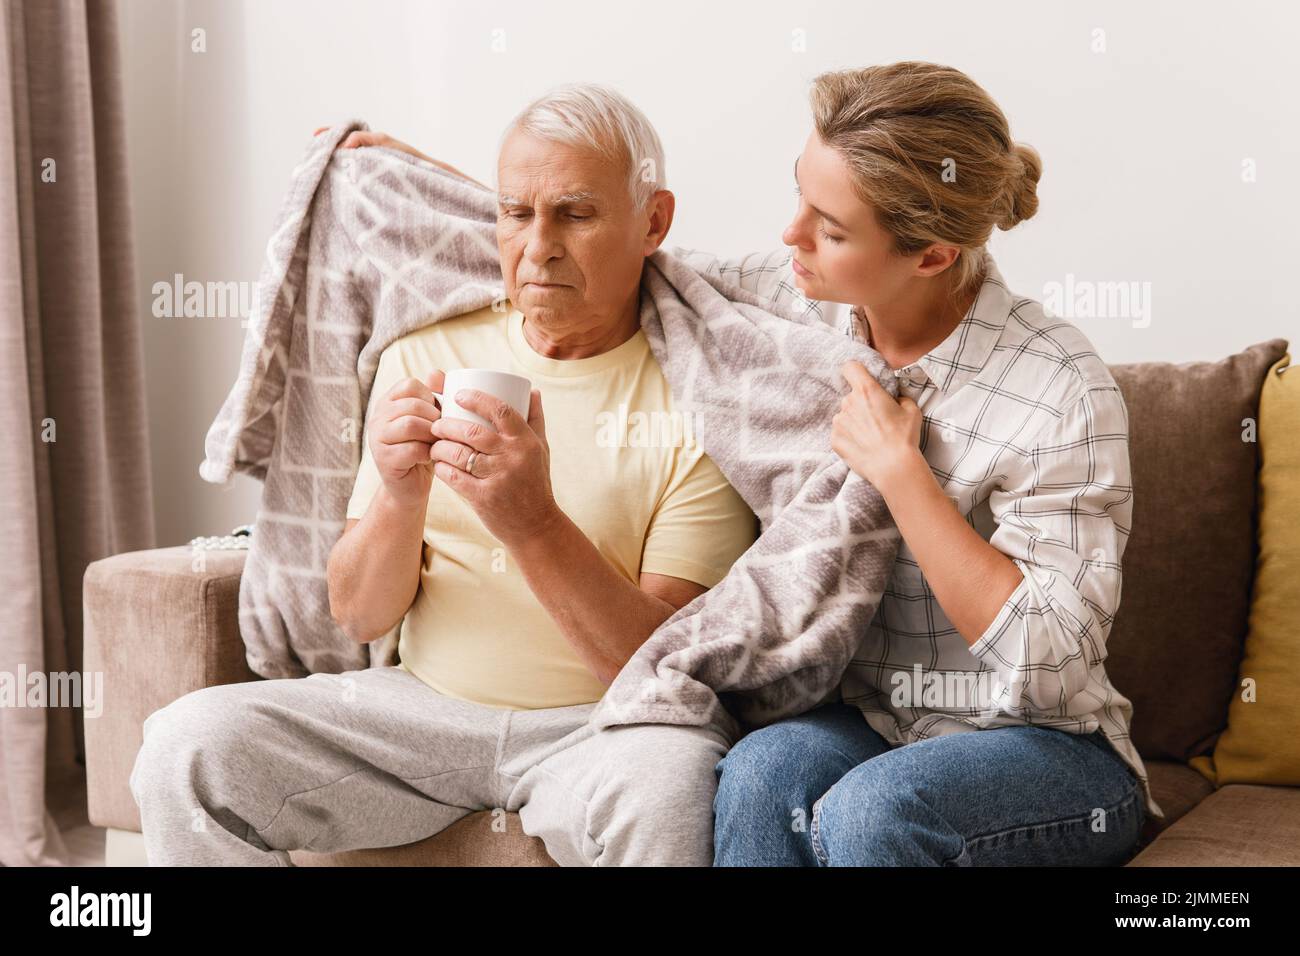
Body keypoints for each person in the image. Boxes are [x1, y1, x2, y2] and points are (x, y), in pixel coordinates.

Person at [128, 84, 758, 866]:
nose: (539, 247)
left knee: (668, 789)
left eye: (577, 214)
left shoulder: (704, 398)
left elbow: (655, 670)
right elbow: (358, 616)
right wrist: (398, 494)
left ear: (653, 221)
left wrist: (532, 523)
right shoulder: (426, 354)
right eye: (515, 213)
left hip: (600, 727)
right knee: (186, 746)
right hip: (420, 710)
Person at [688, 61, 1163, 865]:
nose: (790, 236)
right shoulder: (811, 300)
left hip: (1047, 749)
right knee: (762, 770)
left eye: (831, 229)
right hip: (876, 721)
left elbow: (1046, 664)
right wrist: (423, 179)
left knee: (876, 812)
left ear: (934, 256)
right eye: (799, 195)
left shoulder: (1060, 387)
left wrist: (902, 475)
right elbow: (637, 264)